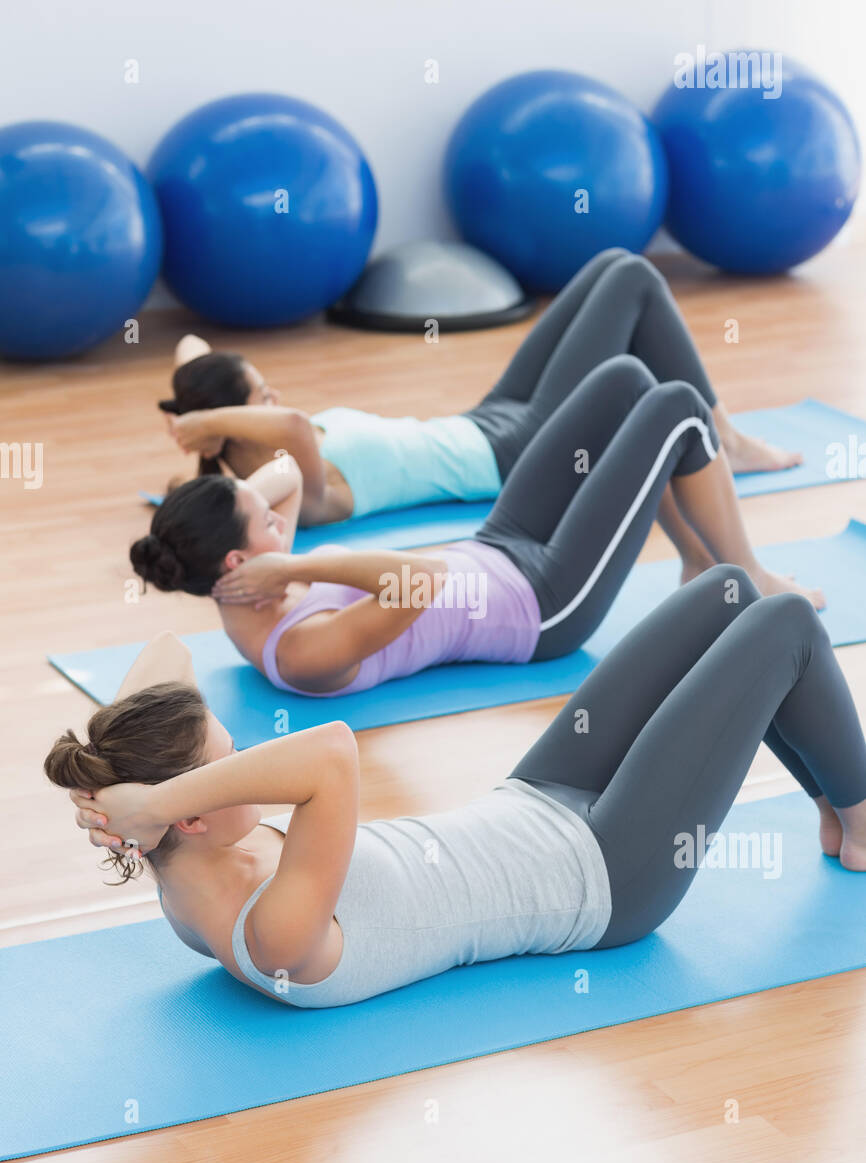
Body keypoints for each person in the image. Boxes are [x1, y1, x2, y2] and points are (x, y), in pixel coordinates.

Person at [47, 569, 866, 1009]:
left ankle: (835, 800)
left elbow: (165, 657)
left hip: (534, 798)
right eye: (230, 760)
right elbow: (331, 754)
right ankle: (860, 816)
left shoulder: (188, 864)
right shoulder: (272, 937)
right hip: (607, 877)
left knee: (728, 591)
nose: (250, 758)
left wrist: (126, 799)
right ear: (186, 813)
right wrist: (149, 801)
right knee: (784, 621)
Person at [131, 354, 823, 697]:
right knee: (673, 405)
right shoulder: (297, 650)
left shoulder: (247, 574)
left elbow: (281, 467)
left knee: (623, 378)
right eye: (266, 526)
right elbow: (423, 582)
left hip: (497, 544)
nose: (279, 519)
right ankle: (747, 574)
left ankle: (701, 564)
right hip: (544, 606)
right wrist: (296, 566)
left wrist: (257, 526)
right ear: (236, 564)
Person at [160, 249, 801, 574]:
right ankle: (725, 438)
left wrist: (197, 414)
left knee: (612, 262)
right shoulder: (290, 481)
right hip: (513, 452)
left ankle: (725, 435)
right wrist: (208, 423)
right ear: (233, 428)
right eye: (261, 397)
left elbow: (193, 352)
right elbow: (293, 426)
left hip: (483, 419)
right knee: (633, 281)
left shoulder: (240, 445)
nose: (278, 399)